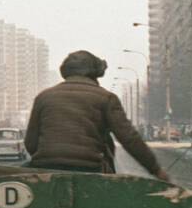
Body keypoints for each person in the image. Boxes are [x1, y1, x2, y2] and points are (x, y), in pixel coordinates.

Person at [24, 50, 170, 181]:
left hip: (46, 169)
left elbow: (31, 142)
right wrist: (155, 169)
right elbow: (129, 138)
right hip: (89, 170)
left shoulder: (43, 97)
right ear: (95, 73)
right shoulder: (106, 98)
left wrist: (51, 156)